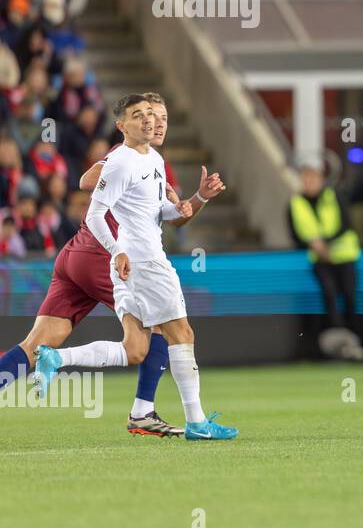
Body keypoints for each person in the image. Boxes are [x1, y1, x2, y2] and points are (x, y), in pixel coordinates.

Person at [0, 92, 224, 437]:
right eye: (149, 115)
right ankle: (144, 412)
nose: (157, 123)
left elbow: (174, 219)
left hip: (76, 254)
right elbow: (88, 181)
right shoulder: (127, 157)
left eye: (162, 117)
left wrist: (197, 199)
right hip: (104, 255)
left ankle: (138, 410)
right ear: (128, 124)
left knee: (38, 345)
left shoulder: (154, 162)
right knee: (160, 329)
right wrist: (111, 174)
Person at [288, 162, 363, 359]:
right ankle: (338, 344)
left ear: (321, 180)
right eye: (306, 179)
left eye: (313, 178)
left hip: (345, 256)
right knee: (329, 296)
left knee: (349, 296)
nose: (310, 183)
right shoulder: (295, 203)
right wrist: (314, 246)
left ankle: (357, 340)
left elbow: (345, 224)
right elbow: (296, 235)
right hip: (320, 260)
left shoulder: (334, 196)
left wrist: (324, 243)